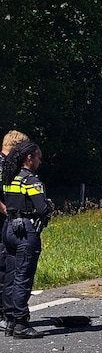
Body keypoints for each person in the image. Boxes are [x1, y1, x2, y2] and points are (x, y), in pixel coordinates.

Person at [2, 139, 52, 339]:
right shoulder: (32, 181)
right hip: (27, 231)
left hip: (9, 229)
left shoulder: (10, 178)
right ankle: (22, 323)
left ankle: (10, 321)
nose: (40, 161)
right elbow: (42, 209)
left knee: (10, 276)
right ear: (29, 158)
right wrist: (49, 204)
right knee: (24, 277)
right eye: (38, 157)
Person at [0, 129, 28, 320]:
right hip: (4, 221)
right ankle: (5, 312)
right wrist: (8, 210)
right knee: (5, 266)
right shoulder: (3, 165)